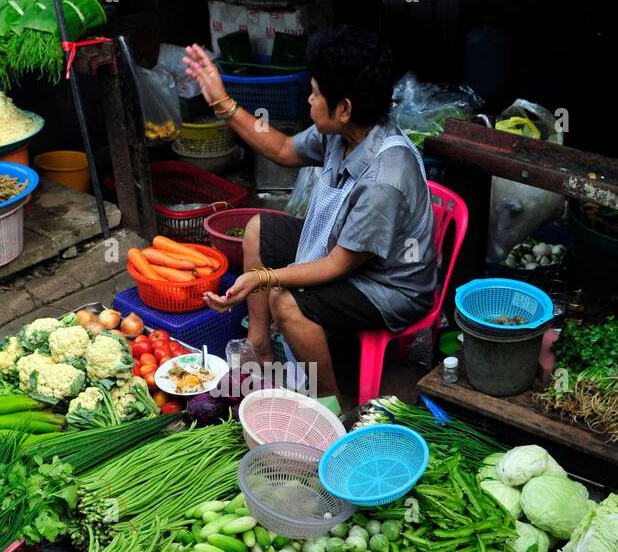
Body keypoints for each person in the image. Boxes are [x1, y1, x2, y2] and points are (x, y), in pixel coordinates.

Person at [183, 26, 436, 407]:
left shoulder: (385, 177)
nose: (309, 99)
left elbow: (336, 265)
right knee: (258, 229)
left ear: (345, 108)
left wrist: (262, 278)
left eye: (316, 92)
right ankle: (261, 350)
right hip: (349, 252)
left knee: (286, 302)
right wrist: (223, 103)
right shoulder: (343, 133)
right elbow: (283, 148)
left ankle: (331, 407)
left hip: (389, 286)